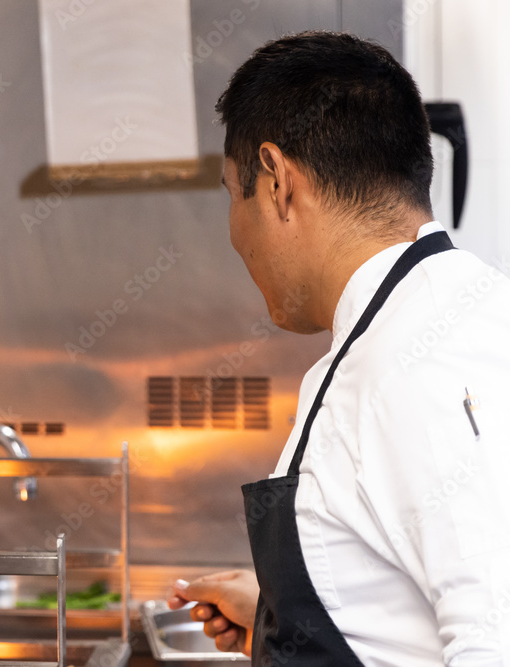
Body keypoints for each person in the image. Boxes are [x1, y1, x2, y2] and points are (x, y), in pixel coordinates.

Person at [169, 32, 510, 665]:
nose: (234, 234)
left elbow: (495, 637)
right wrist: (282, 622)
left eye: (230, 193)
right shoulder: (426, 321)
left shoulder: (418, 359)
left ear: (277, 183)